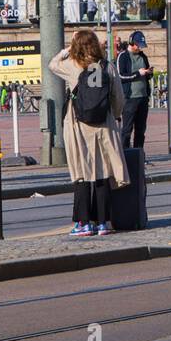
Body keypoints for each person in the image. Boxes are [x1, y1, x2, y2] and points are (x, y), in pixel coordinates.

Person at [50, 30, 128, 237]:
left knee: (82, 174)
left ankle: (83, 223)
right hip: (103, 124)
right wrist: (114, 115)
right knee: (102, 173)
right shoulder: (108, 66)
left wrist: (67, 48)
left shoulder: (71, 65)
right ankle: (102, 222)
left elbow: (52, 64)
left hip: (77, 124)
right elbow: (119, 99)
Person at [116, 30, 152, 151]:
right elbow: (121, 76)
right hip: (130, 98)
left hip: (143, 97)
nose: (139, 48)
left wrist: (148, 73)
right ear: (132, 43)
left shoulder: (143, 56)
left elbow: (146, 74)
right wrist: (138, 74)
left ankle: (139, 153)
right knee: (127, 129)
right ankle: (125, 152)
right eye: (138, 45)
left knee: (141, 129)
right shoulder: (123, 56)